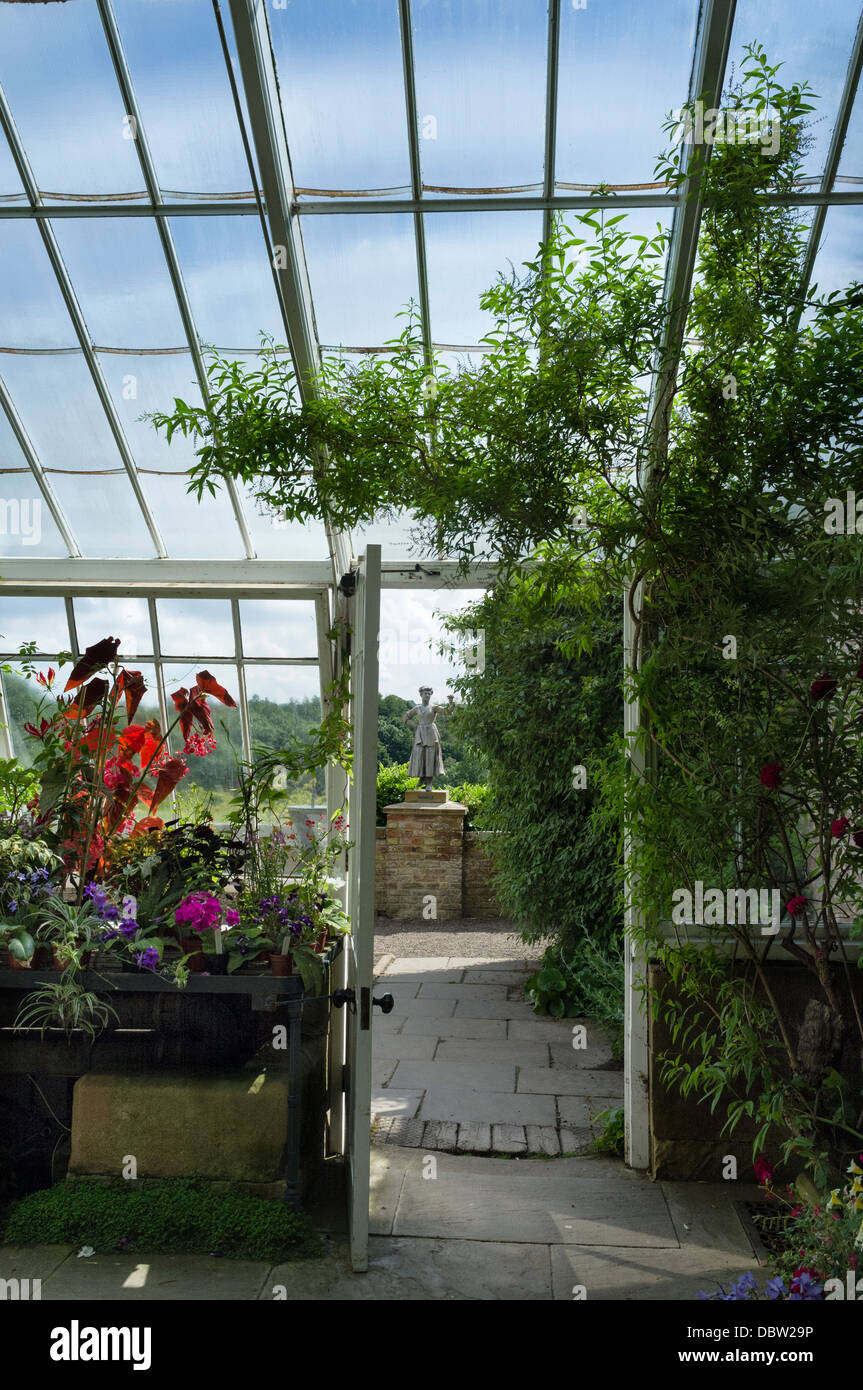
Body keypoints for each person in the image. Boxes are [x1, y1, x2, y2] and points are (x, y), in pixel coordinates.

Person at [402, 687, 453, 789]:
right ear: (421, 694)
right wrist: (415, 726)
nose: (427, 695)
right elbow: (405, 717)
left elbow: (447, 711)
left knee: (430, 757)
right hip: (420, 734)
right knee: (420, 756)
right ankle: (421, 778)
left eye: (429, 693)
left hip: (431, 733)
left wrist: (451, 702)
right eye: (425, 693)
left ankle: (429, 781)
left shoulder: (433, 707)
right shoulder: (417, 708)